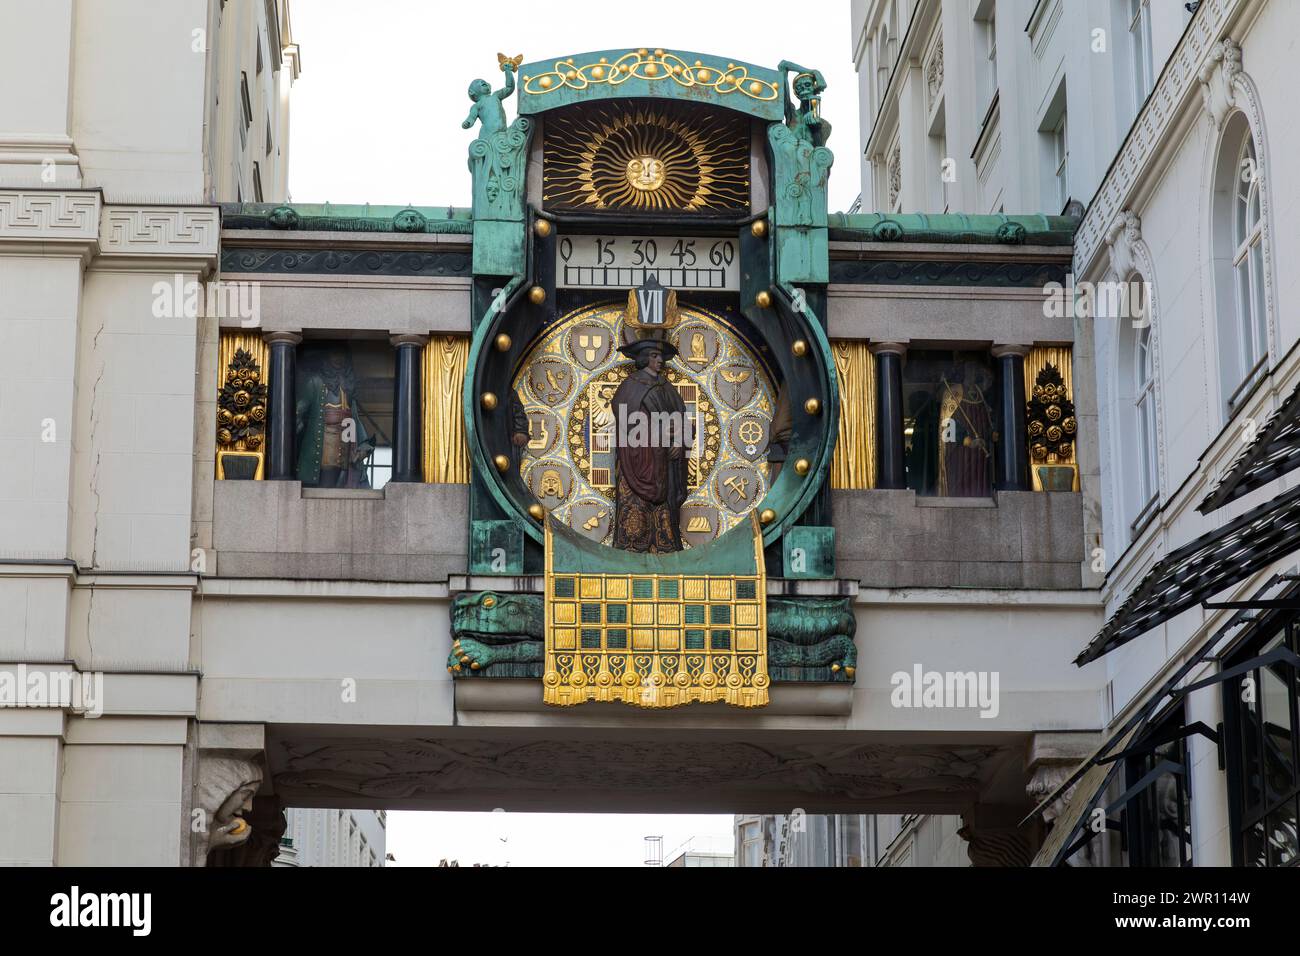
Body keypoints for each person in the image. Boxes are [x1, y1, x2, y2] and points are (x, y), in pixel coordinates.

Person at [611, 339, 688, 553]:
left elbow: (681, 418)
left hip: (662, 457)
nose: (660, 360)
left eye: (661, 356)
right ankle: (633, 543)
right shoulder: (631, 385)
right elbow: (626, 420)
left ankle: (664, 543)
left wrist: (678, 443)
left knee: (664, 500)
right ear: (644, 358)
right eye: (655, 355)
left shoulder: (666, 387)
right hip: (638, 455)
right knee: (635, 501)